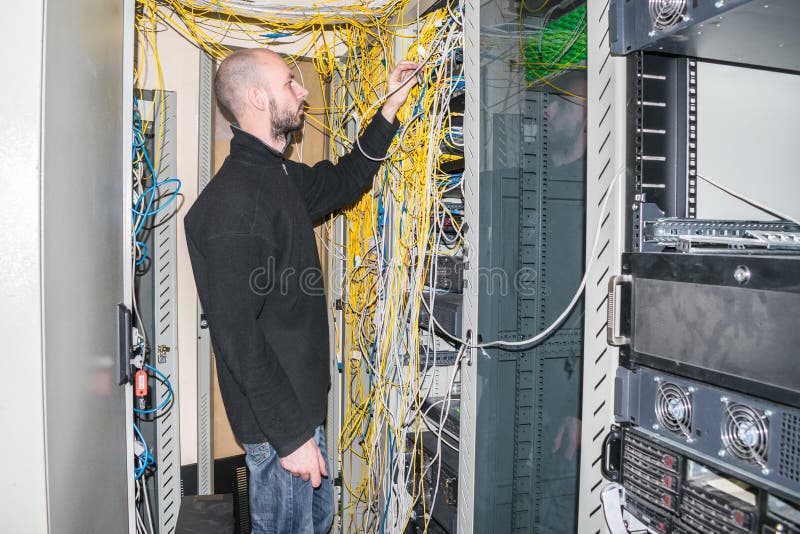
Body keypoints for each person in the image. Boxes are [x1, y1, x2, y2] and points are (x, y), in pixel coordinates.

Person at [184, 48, 419, 533]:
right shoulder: (231, 208)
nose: (303, 90)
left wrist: (389, 109)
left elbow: (345, 181)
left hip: (300, 412)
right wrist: (293, 439)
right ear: (256, 97)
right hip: (279, 432)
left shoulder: (279, 175)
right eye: (290, 82)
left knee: (318, 522)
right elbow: (239, 341)